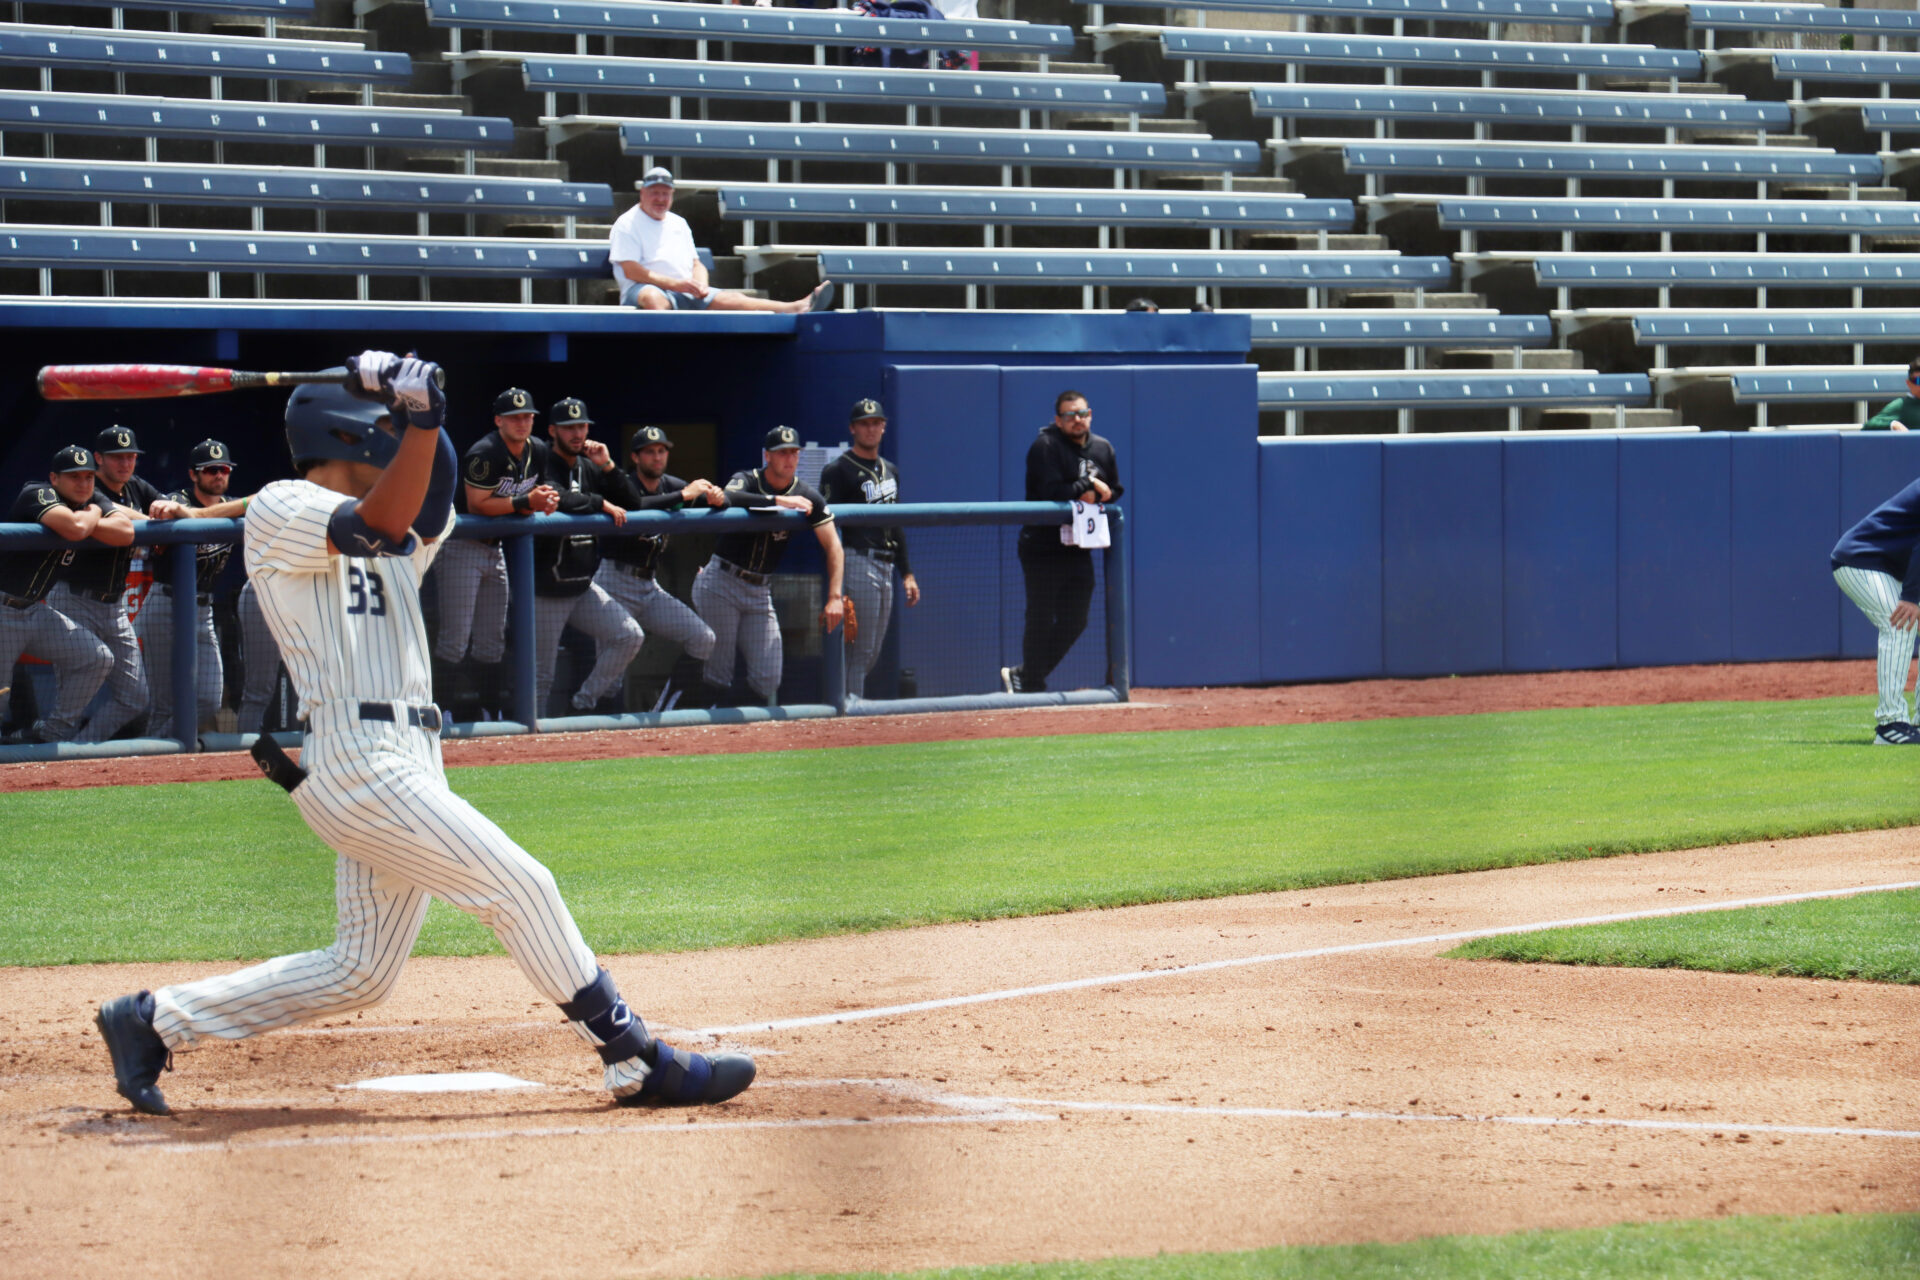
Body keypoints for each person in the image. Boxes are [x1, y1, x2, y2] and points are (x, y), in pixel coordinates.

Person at [93, 351, 754, 1117]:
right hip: (361, 759)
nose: (387, 442)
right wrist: (422, 417)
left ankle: (150, 1021)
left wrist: (422, 403)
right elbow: (382, 521)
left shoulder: (396, 525)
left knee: (361, 972)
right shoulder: (280, 507)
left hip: (410, 758)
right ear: (344, 435)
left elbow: (431, 500)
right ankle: (633, 1056)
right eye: (378, 429)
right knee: (521, 886)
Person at [693, 425, 844, 705]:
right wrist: (776, 500)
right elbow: (728, 496)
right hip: (722, 582)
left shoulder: (806, 494)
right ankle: (692, 728)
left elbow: (834, 545)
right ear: (767, 456)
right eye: (781, 453)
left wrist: (835, 596)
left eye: (793, 452)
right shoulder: (747, 479)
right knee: (717, 673)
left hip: (759, 590)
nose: (789, 458)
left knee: (768, 677)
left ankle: (736, 726)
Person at [435, 387, 559, 721]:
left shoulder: (539, 450)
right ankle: (440, 711)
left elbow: (542, 488)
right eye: (515, 417)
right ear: (498, 421)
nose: (522, 422)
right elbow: (477, 504)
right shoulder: (484, 452)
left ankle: (490, 711)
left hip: (498, 549)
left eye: (527, 416)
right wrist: (525, 503)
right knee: (455, 640)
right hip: (464, 547)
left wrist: (546, 498)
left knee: (492, 640)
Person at [1002, 390, 1123, 695]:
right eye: (1069, 415)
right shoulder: (1046, 446)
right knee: (1040, 616)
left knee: (1076, 620)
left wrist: (1095, 491)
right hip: (1042, 546)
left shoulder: (1103, 448)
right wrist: (1088, 485)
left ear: (1090, 415)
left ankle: (1026, 674)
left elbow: (1115, 489)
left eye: (1082, 413)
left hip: (1077, 547)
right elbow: (1051, 490)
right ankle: (1032, 686)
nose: (1077, 420)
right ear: (1058, 420)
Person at [596, 425, 723, 709]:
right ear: (635, 457)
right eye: (649, 452)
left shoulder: (672, 484)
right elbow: (636, 504)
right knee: (610, 675)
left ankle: (664, 711)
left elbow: (718, 499)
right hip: (613, 581)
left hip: (648, 586)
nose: (657, 457)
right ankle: (592, 734)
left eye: (661, 451)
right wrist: (684, 496)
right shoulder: (623, 484)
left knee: (702, 638)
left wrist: (717, 497)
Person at [533, 397, 645, 716]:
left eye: (582, 426)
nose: (577, 433)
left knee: (628, 635)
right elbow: (557, 496)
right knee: (542, 676)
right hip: (544, 589)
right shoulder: (541, 458)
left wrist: (608, 466)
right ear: (553, 430)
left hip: (581, 587)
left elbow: (633, 503)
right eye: (569, 427)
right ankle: (528, 741)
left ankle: (582, 704)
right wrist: (600, 503)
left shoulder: (587, 466)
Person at [0, 446, 118, 743]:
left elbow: (127, 531)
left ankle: (51, 734)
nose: (83, 483)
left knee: (97, 657)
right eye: (73, 476)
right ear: (54, 478)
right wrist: (93, 513)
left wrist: (91, 514)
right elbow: (77, 528)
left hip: (35, 611)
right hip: (3, 606)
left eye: (89, 476)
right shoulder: (37, 493)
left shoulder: (90, 500)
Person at [52, 426, 161, 741]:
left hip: (113, 606)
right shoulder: (86, 486)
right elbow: (123, 520)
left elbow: (169, 509)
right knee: (71, 695)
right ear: (98, 459)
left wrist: (172, 509)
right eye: (117, 458)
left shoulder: (136, 487)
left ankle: (80, 750)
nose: (125, 464)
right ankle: (55, 762)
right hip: (74, 598)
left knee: (135, 697)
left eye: (131, 457)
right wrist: (153, 522)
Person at [609, 167, 835, 314]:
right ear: (643, 194)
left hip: (684, 290)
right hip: (643, 289)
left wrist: (700, 285)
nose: (660, 199)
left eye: (665, 193)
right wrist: (677, 284)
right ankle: (668, 350)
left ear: (672, 196)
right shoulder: (627, 223)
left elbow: (696, 263)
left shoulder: (678, 223)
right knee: (652, 298)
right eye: (655, 192)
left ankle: (794, 307)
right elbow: (632, 271)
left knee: (732, 299)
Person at [141, 439, 250, 742]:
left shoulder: (232, 505)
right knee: (164, 705)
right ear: (194, 474)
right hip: (166, 604)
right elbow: (163, 517)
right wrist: (178, 510)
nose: (218, 475)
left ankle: (154, 751)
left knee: (208, 699)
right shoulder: (175, 499)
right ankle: (145, 767)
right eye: (211, 470)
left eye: (224, 469)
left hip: (203, 610)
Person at [818, 398, 920, 699]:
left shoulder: (891, 470)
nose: (871, 428)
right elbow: (827, 524)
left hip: (887, 563)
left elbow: (897, 524)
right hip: (857, 558)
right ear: (853, 428)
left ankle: (849, 703)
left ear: (884, 427)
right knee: (859, 647)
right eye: (864, 423)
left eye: (876, 422)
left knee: (872, 650)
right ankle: (849, 710)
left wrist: (908, 573)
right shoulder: (837, 470)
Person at [1832, 472, 1920, 744]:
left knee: (1905, 622)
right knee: (1901, 624)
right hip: (1859, 560)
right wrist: (1911, 597)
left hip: (1888, 567)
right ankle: (1890, 724)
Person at [1864, 356, 1920, 431]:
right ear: (1909, 383)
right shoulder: (1901, 405)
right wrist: (1893, 424)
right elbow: (1869, 426)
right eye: (1918, 381)